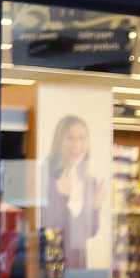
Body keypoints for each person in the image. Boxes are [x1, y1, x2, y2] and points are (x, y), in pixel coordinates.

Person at [42, 113, 103, 269]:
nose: (76, 145)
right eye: (70, 138)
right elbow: (43, 226)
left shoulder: (90, 182)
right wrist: (63, 197)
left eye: (82, 138)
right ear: (59, 141)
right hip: (50, 264)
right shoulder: (45, 177)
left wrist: (96, 207)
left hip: (78, 263)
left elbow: (90, 232)